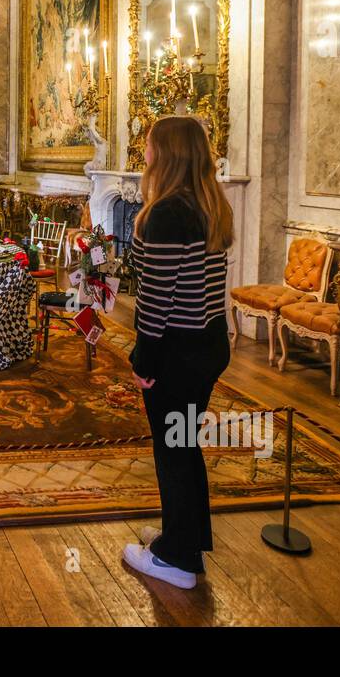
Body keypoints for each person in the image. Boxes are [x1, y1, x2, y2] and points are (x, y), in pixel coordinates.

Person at [123, 114, 233, 590]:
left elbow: (155, 301)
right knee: (183, 446)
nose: (144, 152)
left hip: (177, 353)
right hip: (208, 343)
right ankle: (181, 537)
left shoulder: (168, 213)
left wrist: (143, 362)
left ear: (165, 154)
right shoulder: (209, 206)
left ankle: (177, 558)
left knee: (173, 450)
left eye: (149, 145)